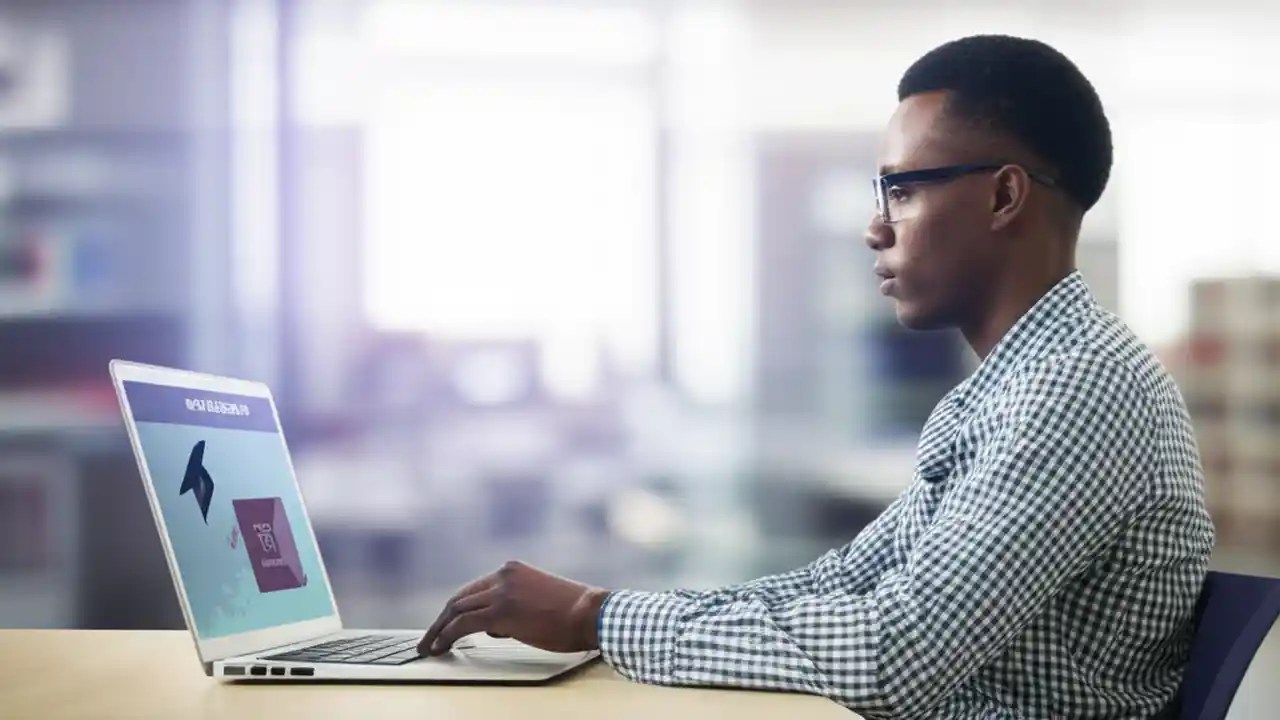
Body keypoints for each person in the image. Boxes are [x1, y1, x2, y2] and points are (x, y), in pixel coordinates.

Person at [417, 35, 1214, 719]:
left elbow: (895, 655)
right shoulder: (1005, 390)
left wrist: (598, 618)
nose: (875, 227)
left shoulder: (1078, 388)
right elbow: (842, 586)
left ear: (1005, 194)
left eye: (900, 189)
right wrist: (604, 612)